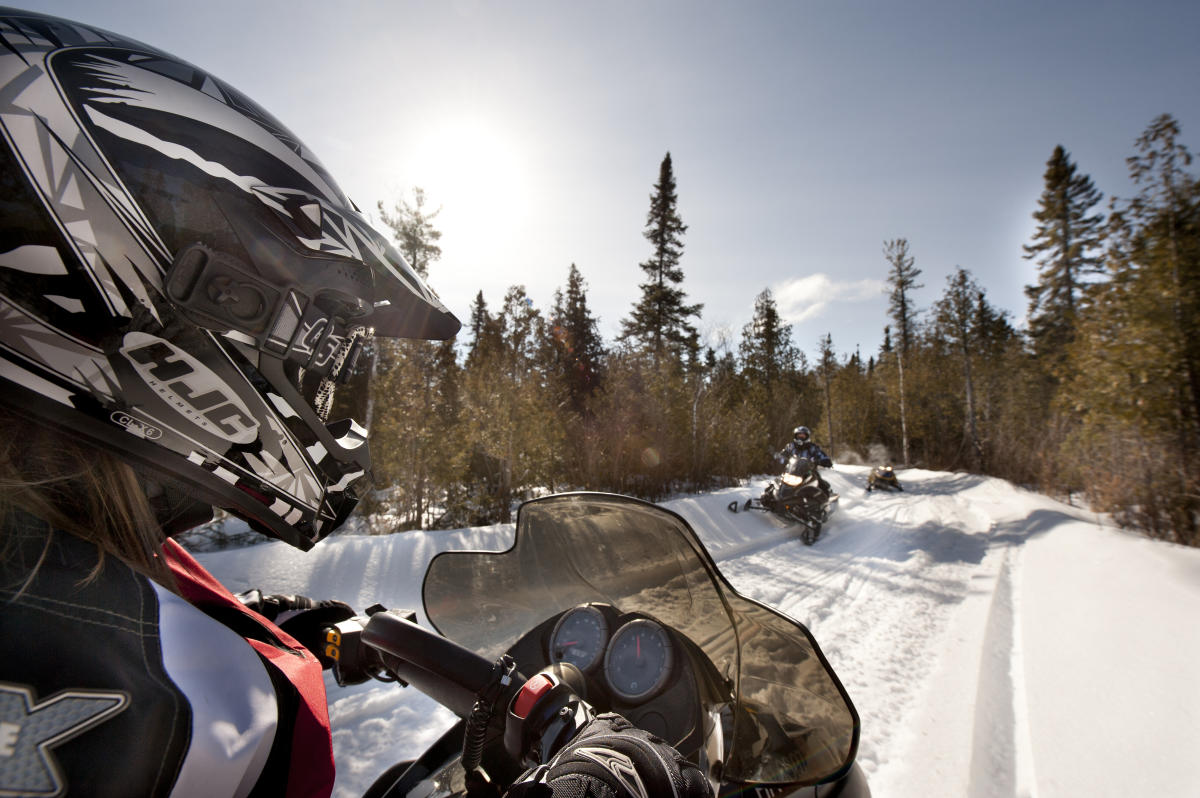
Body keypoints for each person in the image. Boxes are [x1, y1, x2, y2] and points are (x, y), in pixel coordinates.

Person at [0, 9, 709, 798]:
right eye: (320, 325)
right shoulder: (103, 685)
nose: (334, 370)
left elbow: (134, 594)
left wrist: (272, 624)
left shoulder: (59, 560)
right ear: (180, 294)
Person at [777, 426, 834, 493]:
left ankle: (827, 495)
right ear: (795, 436)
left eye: (803, 435)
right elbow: (782, 456)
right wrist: (781, 459)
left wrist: (822, 461)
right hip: (791, 472)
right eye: (799, 435)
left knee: (822, 485)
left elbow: (823, 457)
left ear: (807, 436)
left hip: (808, 473)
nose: (800, 437)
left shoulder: (813, 447)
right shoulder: (791, 446)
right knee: (776, 484)